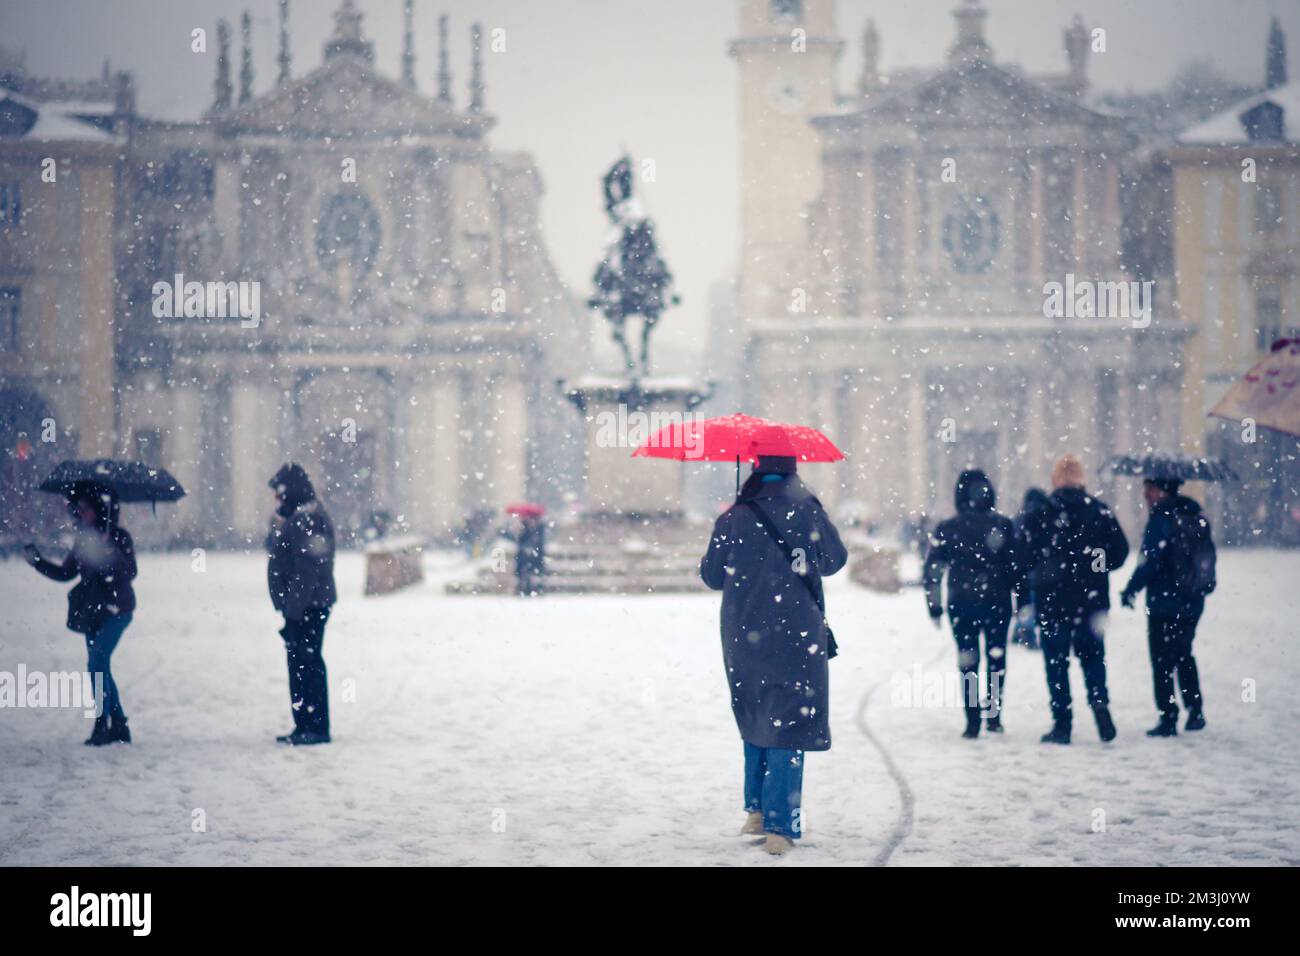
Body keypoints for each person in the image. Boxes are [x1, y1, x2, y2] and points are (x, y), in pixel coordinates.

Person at [700, 454, 847, 856]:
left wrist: (736, 528)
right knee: (791, 720)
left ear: (754, 472)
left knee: (756, 710)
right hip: (798, 631)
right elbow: (835, 562)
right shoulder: (808, 512)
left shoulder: (735, 516)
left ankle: (758, 810)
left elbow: (712, 576)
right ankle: (780, 826)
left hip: (743, 632)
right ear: (793, 473)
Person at [1018, 454, 1129, 745]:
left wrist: (1046, 569)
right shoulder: (1099, 511)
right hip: (1091, 602)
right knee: (1093, 658)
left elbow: (1024, 557)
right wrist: (1095, 563)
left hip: (1052, 601)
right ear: (1082, 480)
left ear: (1055, 480)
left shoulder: (1041, 514)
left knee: (1056, 664)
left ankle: (1062, 724)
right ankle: (1099, 703)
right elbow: (1119, 553)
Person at [24, 481, 137, 746]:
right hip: (91, 611)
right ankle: (118, 724)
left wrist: (110, 550)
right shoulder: (83, 540)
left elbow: (130, 572)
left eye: (86, 508)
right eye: (79, 508)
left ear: (100, 509)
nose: (81, 512)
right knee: (101, 667)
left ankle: (102, 723)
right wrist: (38, 562)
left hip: (117, 610)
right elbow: (67, 573)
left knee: (96, 662)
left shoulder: (119, 536)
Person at [923, 469, 1023, 738]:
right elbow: (1017, 567)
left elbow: (932, 570)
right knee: (996, 657)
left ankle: (972, 719)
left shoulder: (948, 528)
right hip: (997, 600)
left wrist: (934, 606)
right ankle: (993, 715)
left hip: (962, 602)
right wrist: (1022, 600)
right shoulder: (1002, 525)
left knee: (968, 660)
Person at [1120, 478, 1216, 737]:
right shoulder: (1193, 514)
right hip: (1192, 600)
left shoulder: (1161, 519)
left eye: (1149, 489)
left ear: (1161, 490)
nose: (1145, 495)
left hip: (1164, 603)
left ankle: (1168, 716)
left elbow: (1150, 562)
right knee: (1184, 653)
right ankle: (1195, 710)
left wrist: (1131, 589)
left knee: (1162, 660)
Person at [266, 464, 337, 746]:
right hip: (305, 605)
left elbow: (307, 570)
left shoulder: (307, 519)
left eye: (280, 493)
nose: (276, 499)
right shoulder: (302, 517)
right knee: (302, 664)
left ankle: (314, 727)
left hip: (308, 607)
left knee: (306, 665)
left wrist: (294, 613)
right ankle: (305, 726)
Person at [1011, 488, 1050, 650]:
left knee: (1024, 602)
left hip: (1021, 568)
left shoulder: (1019, 518)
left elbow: (1013, 543)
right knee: (1037, 601)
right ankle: (1029, 633)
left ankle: (1023, 632)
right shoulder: (1046, 516)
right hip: (1040, 568)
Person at [513, 513, 546, 596]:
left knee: (535, 573)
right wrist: (525, 548)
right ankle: (523, 589)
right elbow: (520, 541)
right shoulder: (523, 529)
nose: (532, 522)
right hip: (524, 557)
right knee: (524, 572)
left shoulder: (539, 529)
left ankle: (536, 589)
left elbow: (541, 543)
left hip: (536, 557)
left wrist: (534, 547)